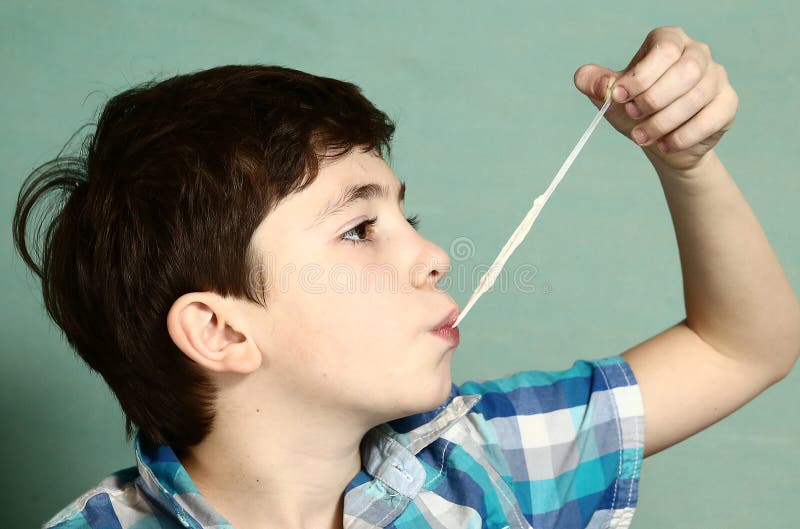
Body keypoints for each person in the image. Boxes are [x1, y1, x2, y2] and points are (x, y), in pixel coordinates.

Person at [14, 26, 798, 529]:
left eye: (405, 216)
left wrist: (686, 163)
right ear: (221, 329)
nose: (432, 255)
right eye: (359, 228)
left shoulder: (481, 460)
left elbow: (743, 346)